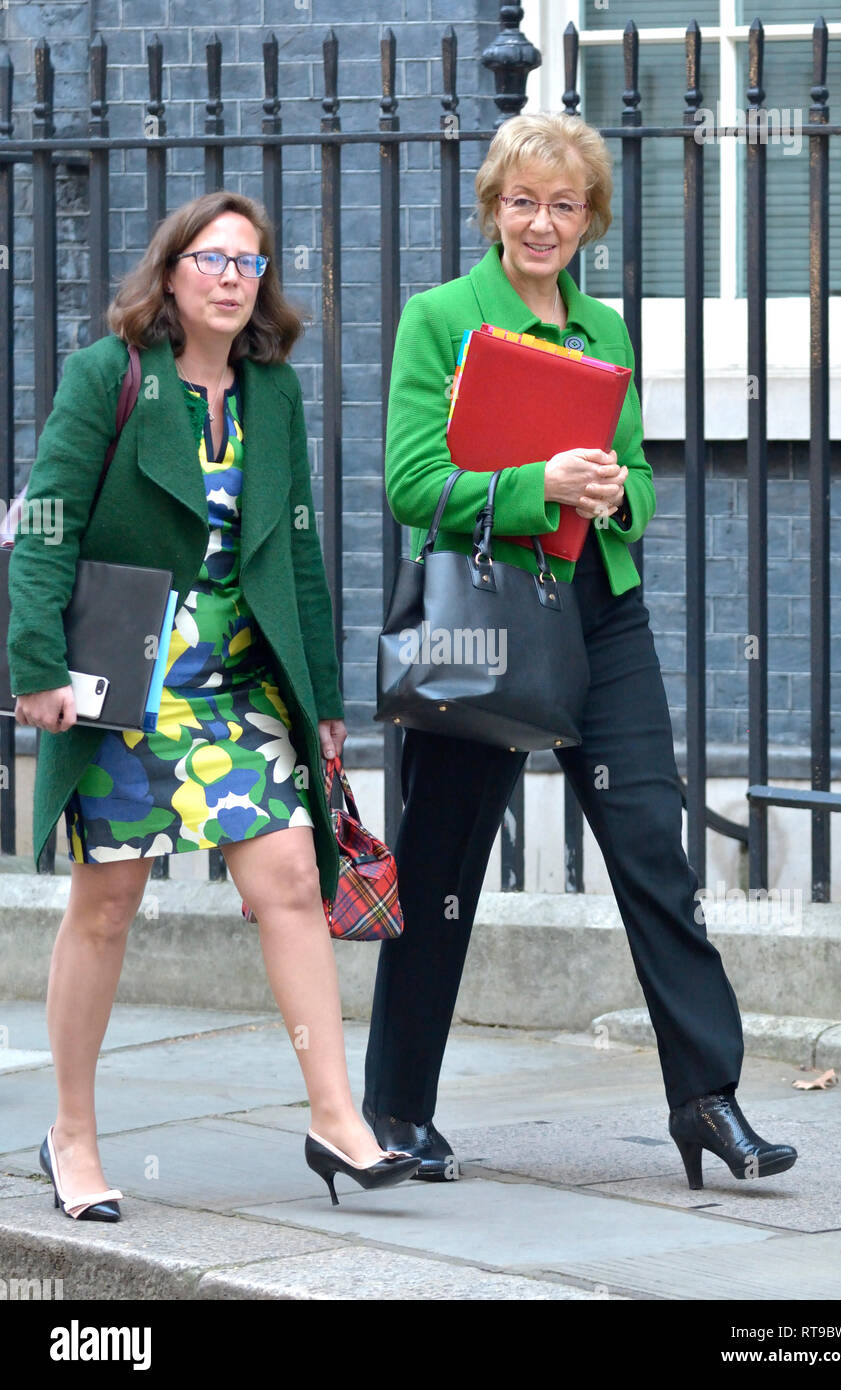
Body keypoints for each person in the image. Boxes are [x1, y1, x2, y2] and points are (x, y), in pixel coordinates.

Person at [362, 113, 797, 1192]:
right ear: (493, 210)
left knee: (654, 845)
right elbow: (413, 482)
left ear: (589, 217)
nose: (542, 223)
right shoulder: (443, 318)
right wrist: (533, 487)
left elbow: (640, 481)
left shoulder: (605, 330)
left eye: (563, 205)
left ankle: (706, 1097)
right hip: (486, 614)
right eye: (522, 201)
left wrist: (608, 494)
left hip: (600, 613)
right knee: (443, 864)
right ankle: (397, 1109)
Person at [8, 190, 418, 1218]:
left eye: (252, 262)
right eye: (213, 258)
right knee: (108, 900)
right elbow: (49, 518)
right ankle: (72, 1133)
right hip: (129, 678)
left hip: (239, 680)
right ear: (172, 272)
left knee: (288, 872)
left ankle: (336, 1116)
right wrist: (35, 664)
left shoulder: (270, 392)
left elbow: (300, 544)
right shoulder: (110, 376)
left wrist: (320, 694)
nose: (234, 276)